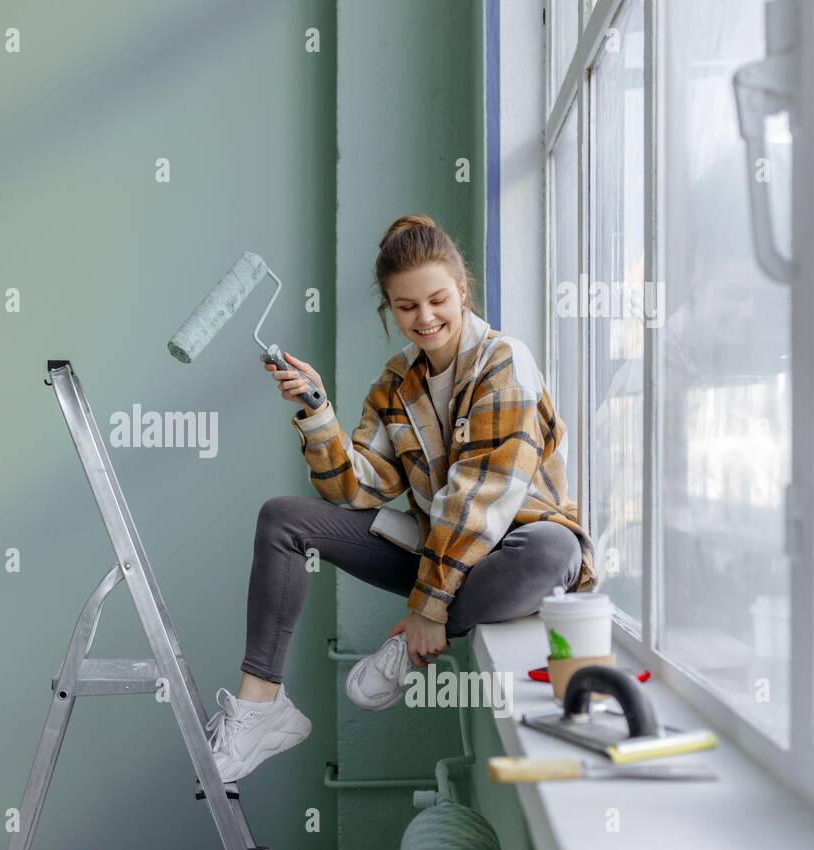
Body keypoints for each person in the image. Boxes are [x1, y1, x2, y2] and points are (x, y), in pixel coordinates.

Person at [204, 214, 598, 783]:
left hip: (511, 547)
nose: (426, 318)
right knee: (281, 518)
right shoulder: (396, 384)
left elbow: (479, 500)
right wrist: (318, 411)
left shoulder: (505, 363)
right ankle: (262, 705)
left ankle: (410, 644)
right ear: (390, 307)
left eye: (437, 300)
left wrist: (427, 611)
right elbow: (354, 489)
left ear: (462, 290)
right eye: (407, 307)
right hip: (437, 550)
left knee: (552, 553)